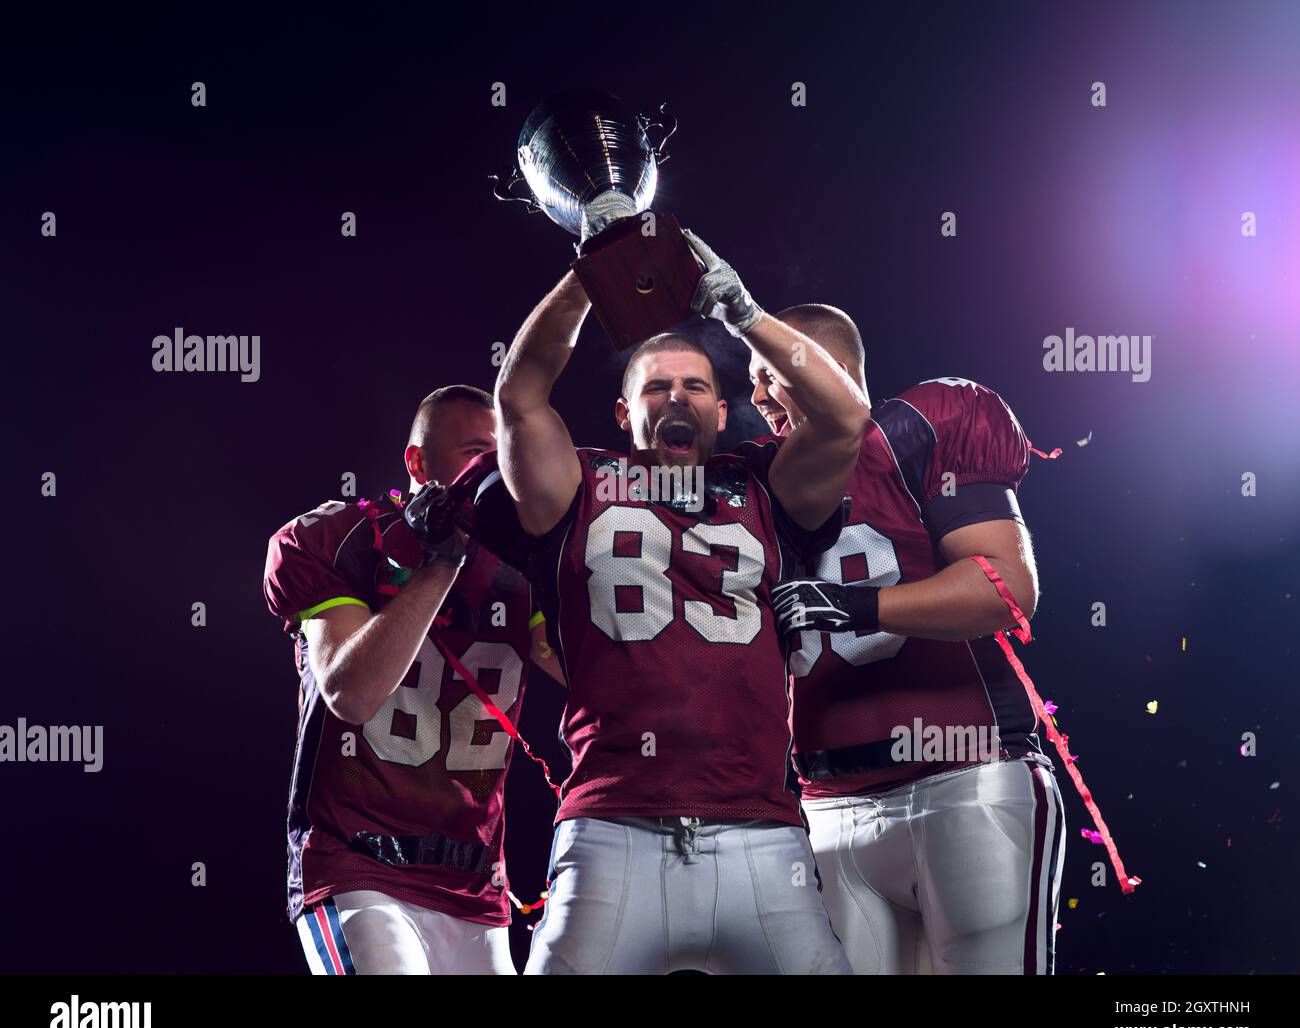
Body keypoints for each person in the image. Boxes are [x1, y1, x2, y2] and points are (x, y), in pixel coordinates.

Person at [493, 215, 868, 974]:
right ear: (624, 413)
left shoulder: (760, 481)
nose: (677, 395)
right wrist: (593, 273)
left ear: (721, 411)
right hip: (610, 828)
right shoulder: (579, 485)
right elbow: (520, 395)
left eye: (695, 384)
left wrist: (744, 312)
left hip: (761, 836)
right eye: (655, 385)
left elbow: (845, 414)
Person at [755, 304, 1065, 975]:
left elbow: (1007, 589)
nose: (755, 397)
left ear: (827, 369)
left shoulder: (917, 432)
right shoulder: (754, 485)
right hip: (829, 804)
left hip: (966, 778)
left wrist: (855, 604)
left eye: (769, 372)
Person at [262, 384, 561, 974]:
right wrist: (443, 564)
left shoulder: (519, 568)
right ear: (418, 464)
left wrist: (562, 561)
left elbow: (604, 677)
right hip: (359, 864)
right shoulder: (344, 540)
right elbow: (352, 693)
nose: (495, 471)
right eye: (478, 453)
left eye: (504, 455)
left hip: (475, 882)